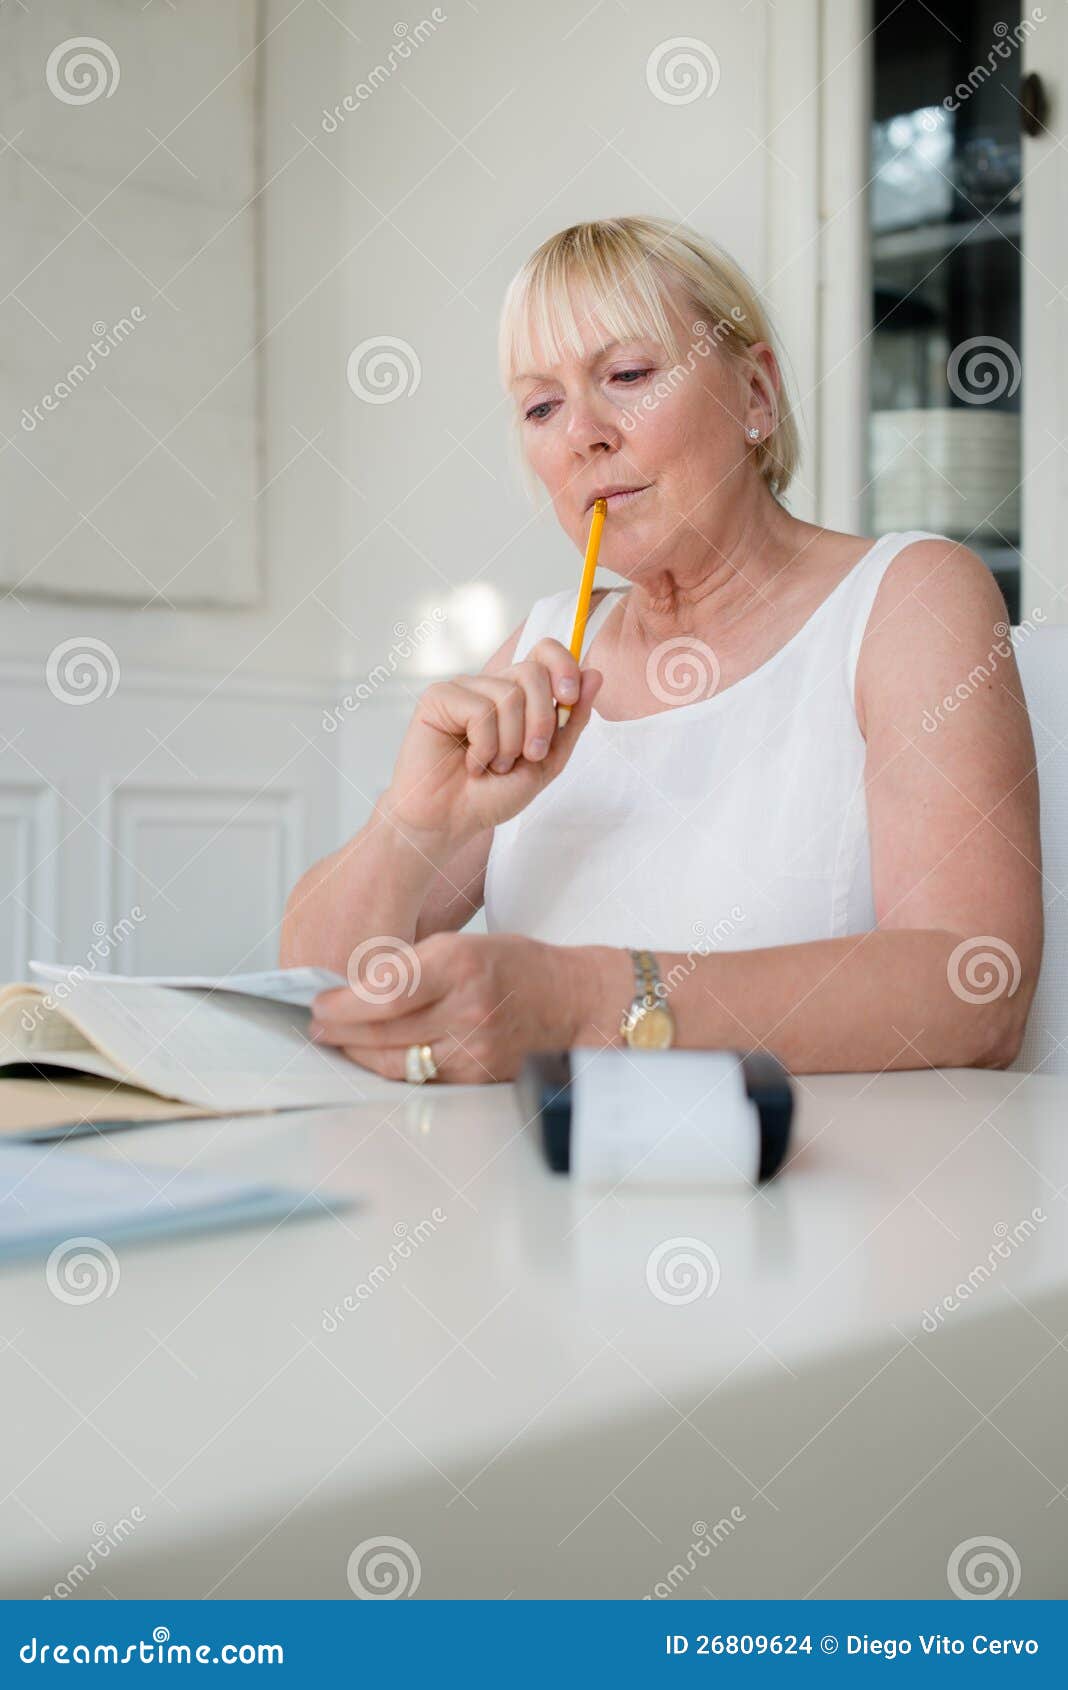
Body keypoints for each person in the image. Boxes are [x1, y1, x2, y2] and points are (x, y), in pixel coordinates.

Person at [281, 215, 1041, 1084]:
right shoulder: (537, 649)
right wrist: (412, 823)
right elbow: (316, 988)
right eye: (541, 405)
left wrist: (583, 1004)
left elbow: (977, 992)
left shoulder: (911, 597)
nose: (582, 436)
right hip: (544, 1200)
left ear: (755, 396)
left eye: (628, 375)